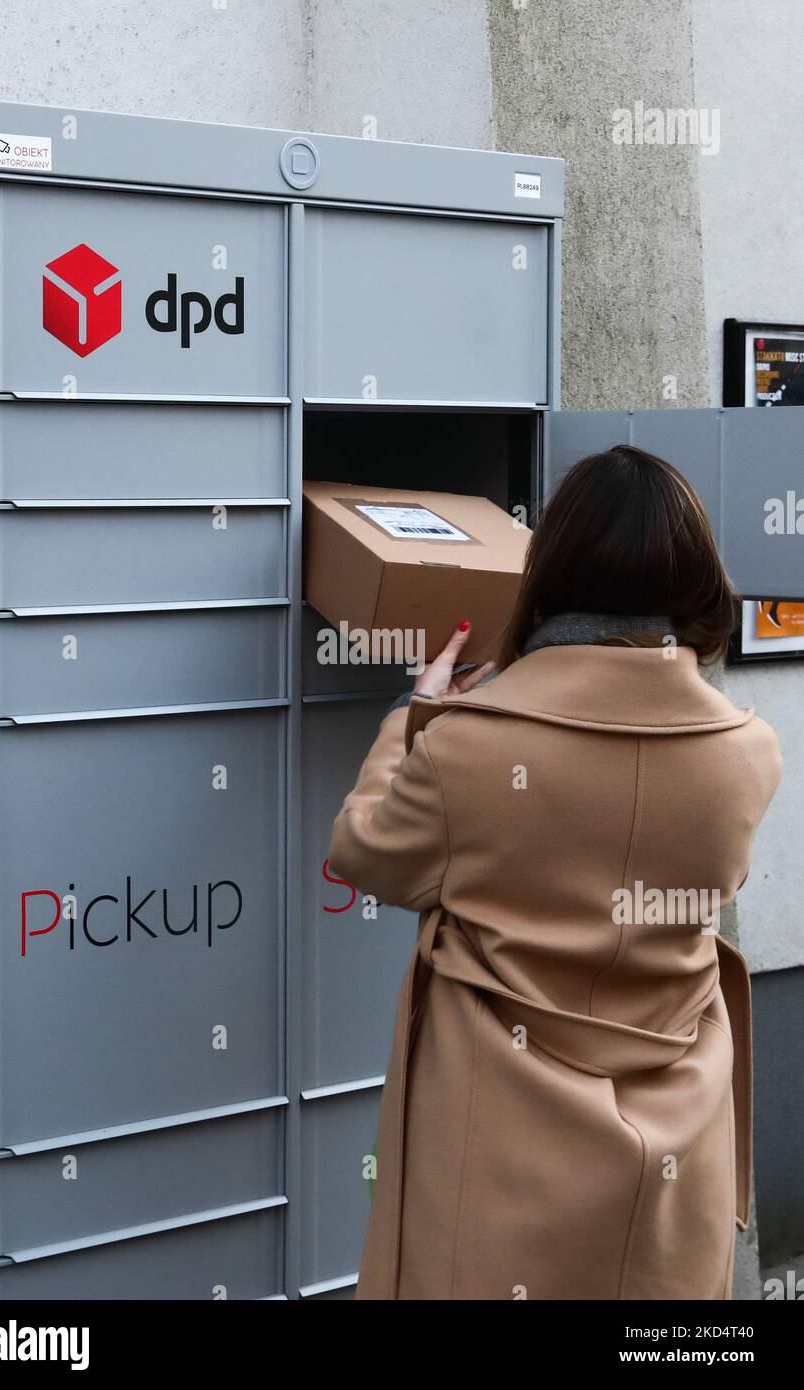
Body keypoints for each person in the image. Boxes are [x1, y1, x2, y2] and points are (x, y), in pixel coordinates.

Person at [327, 444, 783, 1301]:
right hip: (677, 1160)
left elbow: (366, 853)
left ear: (552, 565)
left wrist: (414, 716)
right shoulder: (748, 752)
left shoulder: (469, 746)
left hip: (500, 1165)